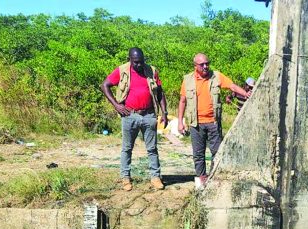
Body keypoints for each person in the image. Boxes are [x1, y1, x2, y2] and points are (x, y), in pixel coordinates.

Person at [178, 53, 252, 189]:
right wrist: (180, 122)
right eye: (202, 64)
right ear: (195, 66)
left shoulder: (216, 76)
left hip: (213, 123)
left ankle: (213, 178)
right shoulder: (188, 80)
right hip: (196, 124)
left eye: (207, 63)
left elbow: (233, 87)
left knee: (217, 152)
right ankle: (201, 179)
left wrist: (245, 94)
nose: (206, 66)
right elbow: (182, 101)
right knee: (198, 154)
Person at [101, 47, 168, 191]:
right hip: (129, 115)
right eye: (136, 62)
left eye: (141, 61)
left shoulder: (151, 70)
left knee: (152, 148)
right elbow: (104, 85)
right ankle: (125, 178)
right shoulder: (122, 71)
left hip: (149, 115)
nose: (139, 65)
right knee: (127, 148)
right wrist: (116, 105)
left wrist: (165, 112)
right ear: (129, 59)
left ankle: (156, 177)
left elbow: (160, 92)